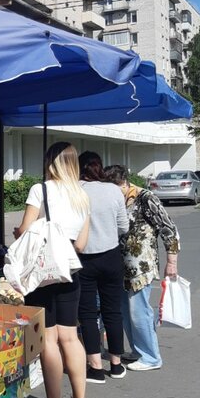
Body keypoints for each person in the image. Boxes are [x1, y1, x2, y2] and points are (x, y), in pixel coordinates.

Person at [14, 142, 91, 398]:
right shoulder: (82, 195)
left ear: (50, 161)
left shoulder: (41, 189)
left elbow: (24, 230)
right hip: (71, 271)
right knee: (70, 337)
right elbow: (82, 244)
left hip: (44, 274)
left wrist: (19, 233)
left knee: (48, 339)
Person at [104, 165, 180, 371]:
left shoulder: (145, 198)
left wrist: (171, 262)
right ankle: (138, 350)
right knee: (125, 312)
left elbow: (168, 228)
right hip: (119, 265)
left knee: (139, 312)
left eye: (116, 187)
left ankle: (151, 357)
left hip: (141, 266)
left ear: (124, 183)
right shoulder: (114, 199)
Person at [77, 151, 129, 383]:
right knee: (112, 311)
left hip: (84, 258)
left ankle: (95, 367)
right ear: (100, 167)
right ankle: (116, 365)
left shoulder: (75, 190)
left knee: (87, 314)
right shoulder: (113, 190)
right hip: (111, 256)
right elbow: (123, 226)